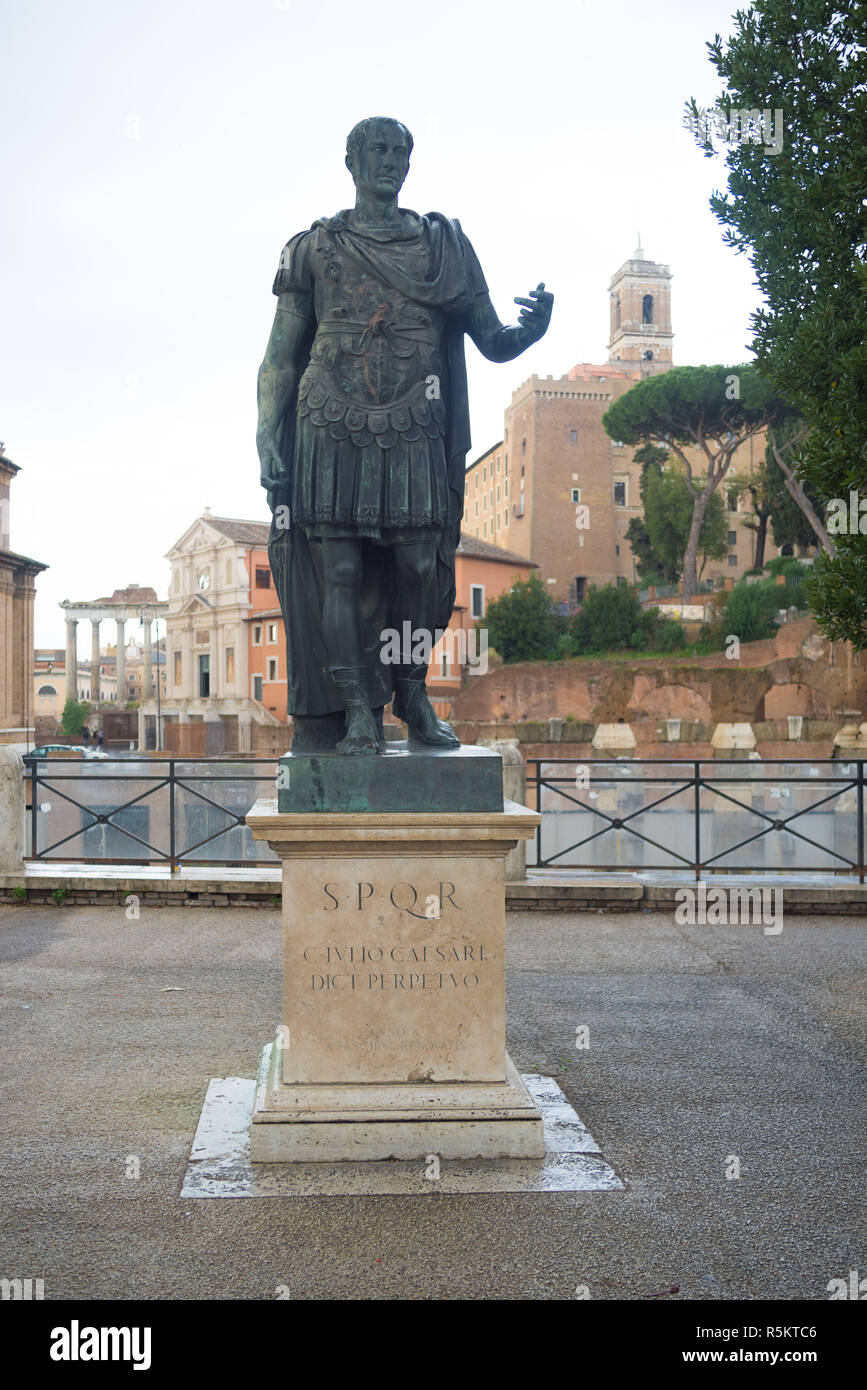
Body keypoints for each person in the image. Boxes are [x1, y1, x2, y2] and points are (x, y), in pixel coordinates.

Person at [257, 116, 552, 754]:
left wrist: (531, 333)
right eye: (378, 151)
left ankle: (411, 689)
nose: (390, 162)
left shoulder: (442, 246)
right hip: (328, 420)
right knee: (338, 570)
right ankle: (358, 708)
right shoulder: (311, 248)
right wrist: (265, 431)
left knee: (421, 564)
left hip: (417, 419)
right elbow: (280, 354)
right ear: (353, 161)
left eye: (400, 152)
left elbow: (492, 339)